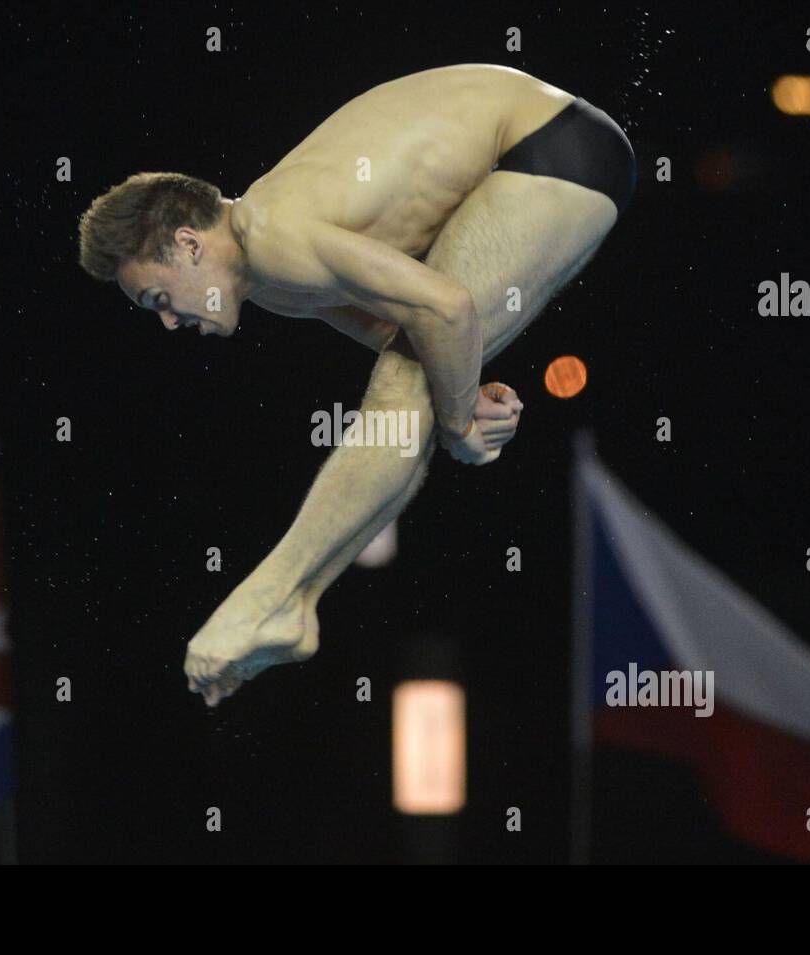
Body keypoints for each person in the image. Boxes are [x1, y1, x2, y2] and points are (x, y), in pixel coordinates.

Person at [77, 64, 635, 706]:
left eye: (157, 298)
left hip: (551, 145)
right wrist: (466, 393)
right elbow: (400, 332)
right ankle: (299, 602)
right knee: (405, 388)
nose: (170, 322)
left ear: (188, 244)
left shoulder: (273, 232)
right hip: (552, 152)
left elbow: (445, 312)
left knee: (402, 393)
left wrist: (456, 422)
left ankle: (263, 597)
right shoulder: (275, 286)